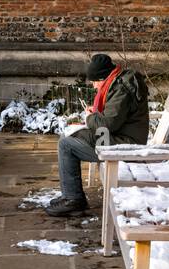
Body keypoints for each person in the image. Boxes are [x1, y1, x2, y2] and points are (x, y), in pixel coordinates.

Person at [45, 53, 149, 216]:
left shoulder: (122, 89)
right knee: (68, 137)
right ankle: (70, 195)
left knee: (66, 145)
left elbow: (108, 124)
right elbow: (112, 118)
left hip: (126, 145)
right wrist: (95, 115)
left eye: (94, 82)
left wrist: (90, 117)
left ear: (102, 77)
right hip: (119, 137)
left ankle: (74, 199)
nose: (94, 86)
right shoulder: (118, 83)